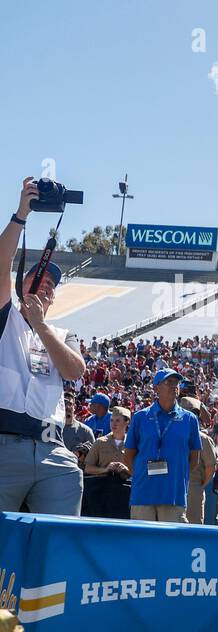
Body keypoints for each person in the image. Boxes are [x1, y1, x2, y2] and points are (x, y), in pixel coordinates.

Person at [0, 182, 87, 519]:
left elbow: (74, 371)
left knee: (62, 535)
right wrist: (21, 214)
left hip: (53, 450)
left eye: (53, 284)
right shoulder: (7, 319)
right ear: (21, 286)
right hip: (6, 445)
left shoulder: (62, 333)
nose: (47, 286)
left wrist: (41, 325)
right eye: (39, 279)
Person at [123, 368, 201, 522]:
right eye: (169, 382)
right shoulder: (140, 417)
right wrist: (141, 475)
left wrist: (175, 476)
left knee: (171, 545)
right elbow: (129, 455)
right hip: (143, 494)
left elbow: (194, 459)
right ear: (156, 387)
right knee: (142, 543)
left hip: (174, 495)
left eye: (177, 382)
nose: (175, 386)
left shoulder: (190, 419)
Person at [180, 396, 217, 525]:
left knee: (192, 527)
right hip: (172, 487)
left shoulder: (203, 439)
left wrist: (199, 485)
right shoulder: (172, 435)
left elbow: (210, 468)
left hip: (193, 487)